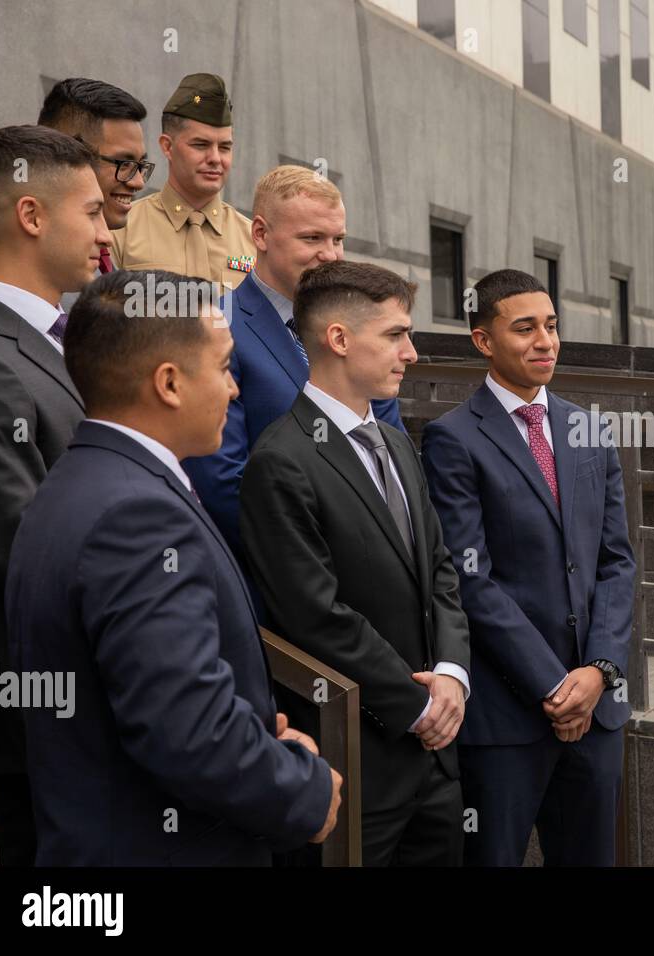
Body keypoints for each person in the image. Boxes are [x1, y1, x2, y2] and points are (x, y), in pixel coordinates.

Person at [5, 269, 340, 865]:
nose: (234, 390)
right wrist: (304, 789)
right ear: (169, 383)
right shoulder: (136, 515)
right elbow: (186, 729)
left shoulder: (82, 481)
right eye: (223, 367)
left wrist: (257, 731)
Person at [240, 260, 470, 866]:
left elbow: (440, 569)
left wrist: (450, 673)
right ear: (339, 339)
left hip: (437, 759)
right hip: (355, 757)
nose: (412, 353)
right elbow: (315, 614)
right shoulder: (281, 461)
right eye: (395, 335)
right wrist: (416, 707)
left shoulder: (395, 440)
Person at [421, 268, 635, 867]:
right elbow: (470, 579)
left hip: (597, 710)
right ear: (484, 340)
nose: (545, 341)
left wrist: (597, 671)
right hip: (508, 716)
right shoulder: (453, 439)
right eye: (525, 328)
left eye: (552, 325)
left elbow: (617, 561)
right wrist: (553, 685)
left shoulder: (589, 429)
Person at [0, 125, 109, 866]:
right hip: (52, 709)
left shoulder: (62, 338)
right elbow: (29, 552)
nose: (106, 228)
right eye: (90, 211)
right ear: (31, 216)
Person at [183, 165, 403, 556]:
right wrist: (317, 565)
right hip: (285, 584)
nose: (331, 256)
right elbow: (223, 483)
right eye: (312, 238)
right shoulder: (216, 330)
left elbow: (394, 456)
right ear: (261, 234)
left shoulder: (363, 328)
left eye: (338, 239)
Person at [108, 73, 254, 289]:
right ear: (167, 146)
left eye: (225, 147)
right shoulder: (122, 231)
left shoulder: (253, 241)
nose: (215, 158)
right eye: (200, 145)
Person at [38, 77, 152, 249]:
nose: (138, 182)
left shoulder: (98, 256)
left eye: (141, 165)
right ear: (67, 157)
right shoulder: (9, 267)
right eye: (124, 163)